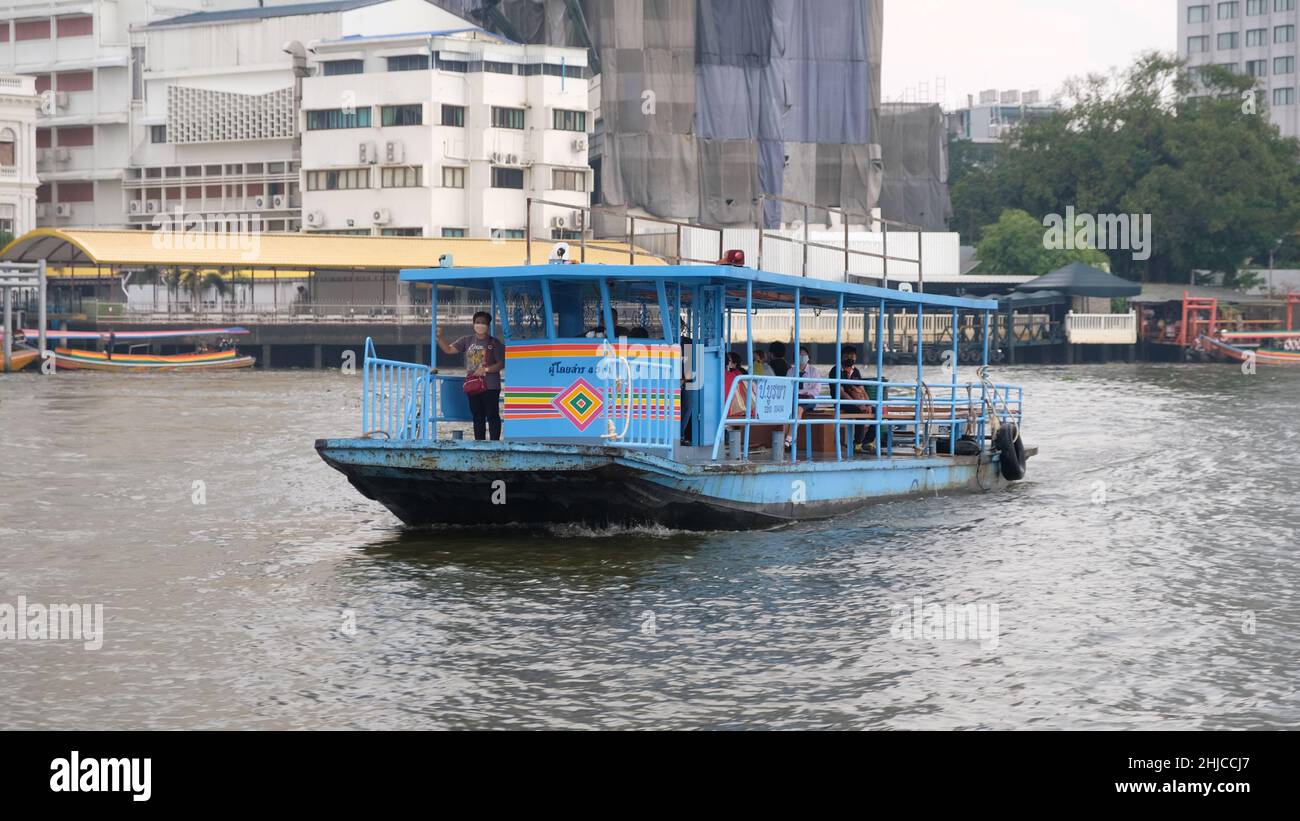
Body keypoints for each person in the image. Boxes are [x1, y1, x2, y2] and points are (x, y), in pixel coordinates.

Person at [435, 311, 505, 441]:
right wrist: (439, 338)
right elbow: (449, 350)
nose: (480, 325)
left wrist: (486, 369)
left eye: (483, 323)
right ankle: (479, 443)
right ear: (473, 324)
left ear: (488, 325)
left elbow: (501, 364)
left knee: (492, 415)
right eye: (477, 322)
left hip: (491, 386)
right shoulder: (466, 340)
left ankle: (495, 442)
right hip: (473, 385)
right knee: (477, 416)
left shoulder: (494, 343)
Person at [828, 347, 870, 453]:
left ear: (856, 357)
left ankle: (867, 442)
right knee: (860, 412)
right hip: (841, 402)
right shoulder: (835, 371)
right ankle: (857, 443)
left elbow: (862, 389)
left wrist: (868, 404)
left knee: (878, 411)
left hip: (857, 402)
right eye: (846, 356)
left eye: (852, 356)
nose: (849, 359)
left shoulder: (856, 371)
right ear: (841, 357)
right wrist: (857, 404)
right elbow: (841, 393)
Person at [724, 351, 750, 417]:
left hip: (733, 411)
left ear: (735, 364)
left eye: (729, 360)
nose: (728, 362)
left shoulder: (736, 375)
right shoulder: (734, 374)